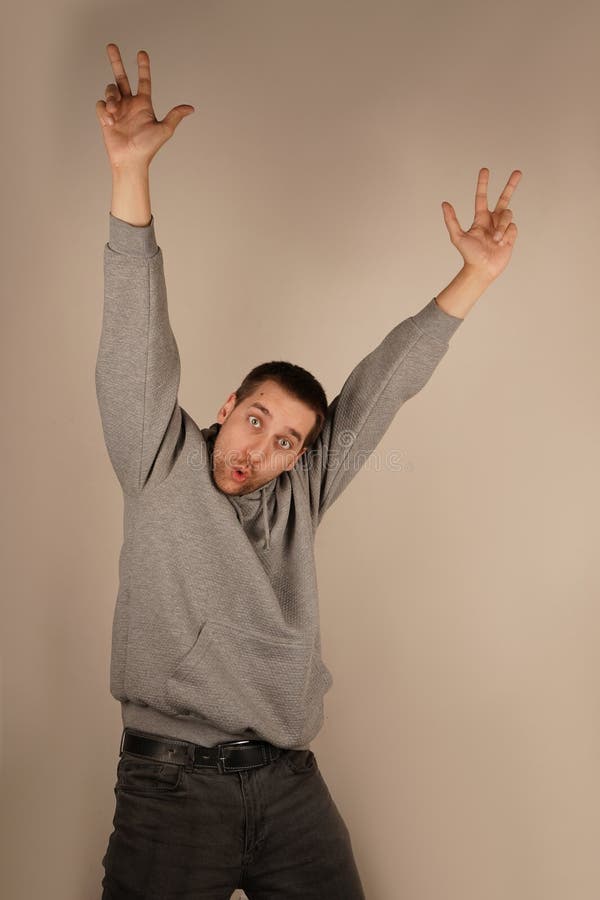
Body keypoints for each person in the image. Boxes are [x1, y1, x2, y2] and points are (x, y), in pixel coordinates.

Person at [95, 43, 521, 900]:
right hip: (172, 783)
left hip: (290, 784)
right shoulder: (158, 458)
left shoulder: (299, 494)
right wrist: (129, 180)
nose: (261, 450)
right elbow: (134, 334)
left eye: (288, 441)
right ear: (227, 405)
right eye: (256, 421)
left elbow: (379, 392)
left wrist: (470, 280)